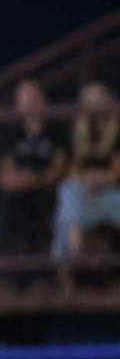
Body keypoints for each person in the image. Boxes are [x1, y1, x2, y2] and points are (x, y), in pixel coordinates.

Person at [0, 78, 66, 256]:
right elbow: (5, 178)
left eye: (34, 97)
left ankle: (42, 278)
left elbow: (56, 172)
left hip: (47, 194)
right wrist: (32, 179)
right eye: (25, 99)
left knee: (48, 213)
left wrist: (33, 179)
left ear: (44, 99)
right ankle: (6, 277)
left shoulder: (57, 130)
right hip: (17, 196)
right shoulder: (10, 133)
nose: (30, 103)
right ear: (17, 104)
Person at [55, 82, 120, 267]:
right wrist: (87, 183)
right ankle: (74, 259)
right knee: (67, 195)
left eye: (99, 100)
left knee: (66, 210)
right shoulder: (79, 131)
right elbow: (72, 170)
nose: (95, 106)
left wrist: (92, 181)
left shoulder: (117, 130)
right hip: (86, 195)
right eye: (90, 101)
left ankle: (72, 267)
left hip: (114, 195)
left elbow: (116, 174)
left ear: (109, 101)